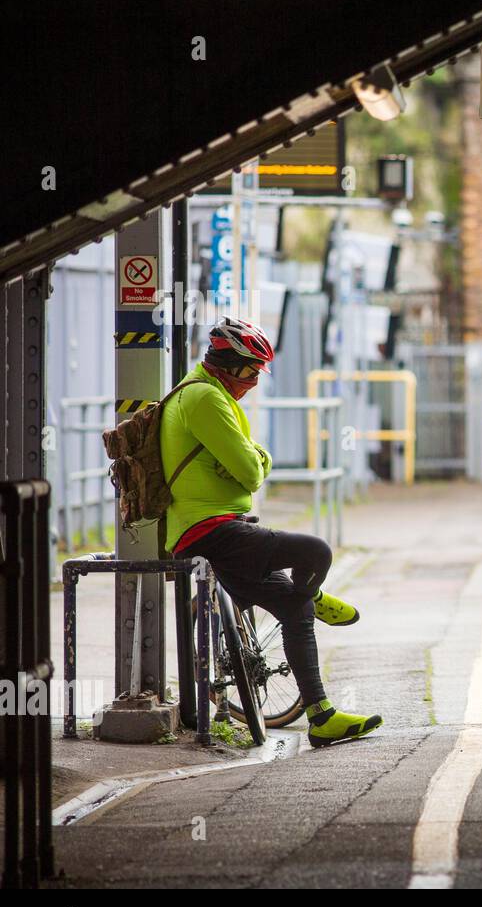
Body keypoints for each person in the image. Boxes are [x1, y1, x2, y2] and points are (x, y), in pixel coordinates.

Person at [161, 315, 382, 748]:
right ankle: (314, 594)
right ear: (224, 364)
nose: (254, 382)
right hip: (211, 533)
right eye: (249, 372)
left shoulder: (214, 395)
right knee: (315, 552)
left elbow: (248, 463)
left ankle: (321, 716)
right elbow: (251, 471)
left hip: (224, 528)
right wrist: (256, 459)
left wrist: (252, 459)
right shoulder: (205, 399)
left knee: (294, 610)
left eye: (259, 374)